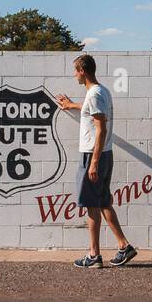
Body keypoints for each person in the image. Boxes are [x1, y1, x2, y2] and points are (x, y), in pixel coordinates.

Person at [55, 54, 136, 268]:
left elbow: (101, 129)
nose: (74, 75)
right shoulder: (100, 92)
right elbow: (92, 110)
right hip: (102, 154)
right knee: (102, 202)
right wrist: (72, 105)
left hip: (93, 155)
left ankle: (93, 255)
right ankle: (123, 246)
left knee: (92, 205)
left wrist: (93, 162)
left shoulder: (95, 94)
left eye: (75, 71)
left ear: (82, 71)